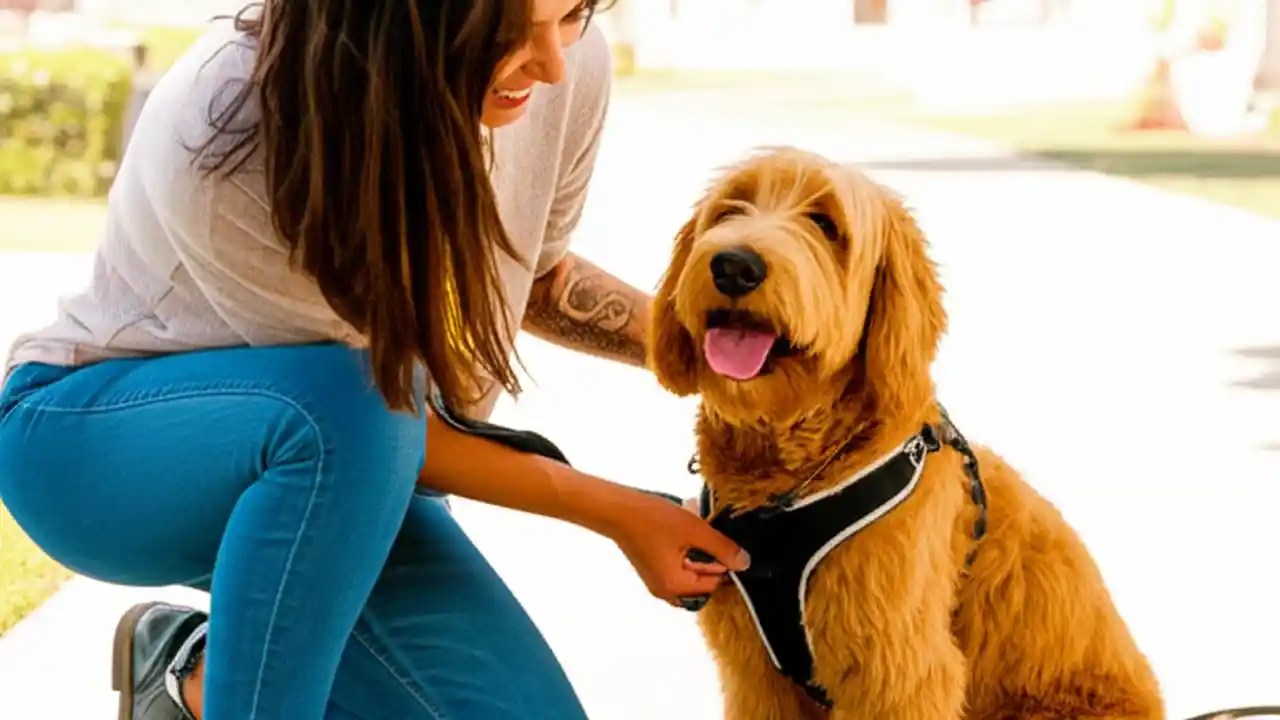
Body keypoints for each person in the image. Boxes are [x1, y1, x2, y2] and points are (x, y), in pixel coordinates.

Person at [0, 2, 748, 719]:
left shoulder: (563, 69)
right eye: (512, 32)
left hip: (345, 476)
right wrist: (619, 512)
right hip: (97, 452)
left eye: (573, 16)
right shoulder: (232, 127)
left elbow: (537, 279)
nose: (553, 63)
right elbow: (371, 413)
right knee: (347, 412)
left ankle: (187, 682)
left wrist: (718, 355)